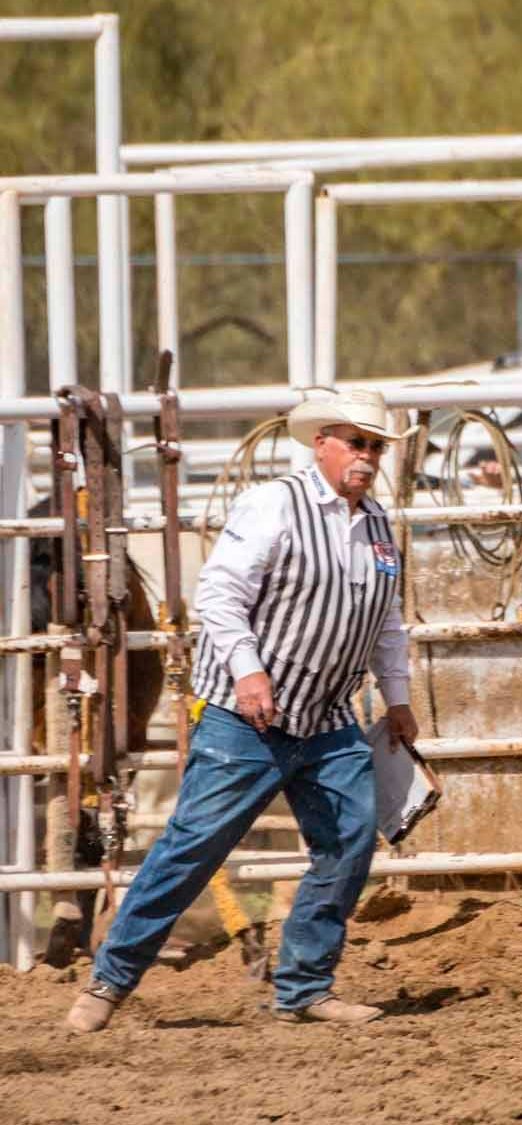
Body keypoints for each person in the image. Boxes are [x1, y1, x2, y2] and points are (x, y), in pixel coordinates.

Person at [66, 388, 420, 1032]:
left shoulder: (376, 524)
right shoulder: (273, 504)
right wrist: (249, 670)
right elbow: (221, 594)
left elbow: (386, 621)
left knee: (348, 840)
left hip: (327, 715)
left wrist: (396, 697)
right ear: (323, 444)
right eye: (356, 443)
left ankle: (305, 986)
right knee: (194, 847)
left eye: (374, 446)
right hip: (246, 716)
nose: (367, 457)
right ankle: (109, 979)